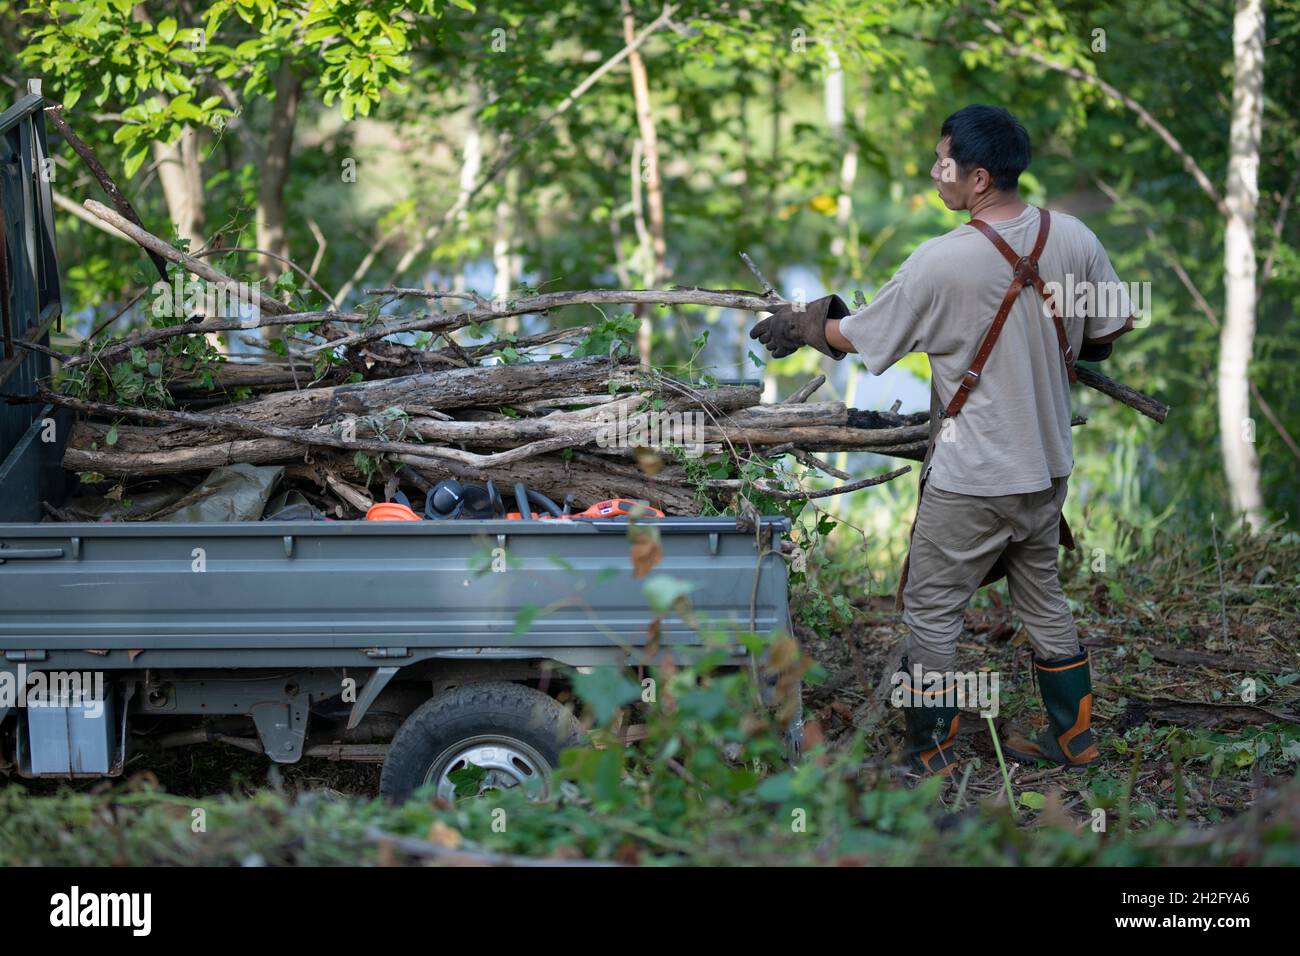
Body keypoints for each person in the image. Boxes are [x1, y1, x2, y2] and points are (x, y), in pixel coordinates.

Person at [749, 104, 1137, 775]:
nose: (935, 171)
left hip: (972, 476)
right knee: (1042, 595)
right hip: (1047, 467)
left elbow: (857, 336)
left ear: (979, 178)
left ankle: (931, 753)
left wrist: (803, 323)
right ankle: (1074, 739)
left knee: (931, 610)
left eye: (944, 163)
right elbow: (1107, 333)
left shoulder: (940, 261)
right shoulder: (1073, 237)